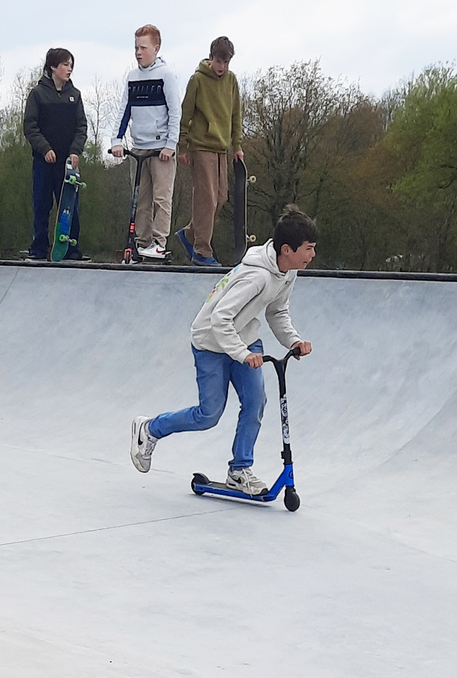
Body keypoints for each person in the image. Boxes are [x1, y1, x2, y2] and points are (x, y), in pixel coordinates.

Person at [130, 206, 318, 493]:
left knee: (255, 403)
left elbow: (277, 313)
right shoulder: (257, 277)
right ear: (287, 250)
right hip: (211, 342)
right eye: (308, 248)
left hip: (244, 338)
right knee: (209, 415)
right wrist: (243, 354)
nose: (312, 255)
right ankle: (150, 429)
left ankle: (240, 470)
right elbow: (220, 318)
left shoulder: (287, 272)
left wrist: (293, 340)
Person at [108, 24, 182, 261]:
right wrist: (117, 140)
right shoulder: (132, 78)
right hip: (139, 147)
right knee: (140, 199)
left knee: (162, 198)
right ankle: (142, 243)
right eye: (136, 48)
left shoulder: (166, 76)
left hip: (161, 149)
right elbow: (124, 110)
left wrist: (171, 144)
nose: (138, 53)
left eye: (143, 48)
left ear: (156, 48)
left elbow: (175, 112)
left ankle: (159, 243)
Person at [176, 36, 244, 268]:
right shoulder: (197, 80)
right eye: (218, 62)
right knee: (206, 199)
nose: (222, 67)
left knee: (221, 198)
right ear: (211, 58)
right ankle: (202, 251)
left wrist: (238, 145)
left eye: (226, 63)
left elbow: (236, 114)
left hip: (221, 148)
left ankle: (189, 234)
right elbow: (186, 114)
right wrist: (183, 146)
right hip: (201, 145)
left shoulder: (232, 81)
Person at [24, 47, 89, 261]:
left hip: (67, 163)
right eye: (65, 65)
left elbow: (81, 127)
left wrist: (75, 151)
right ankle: (39, 248)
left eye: (71, 65)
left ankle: (72, 249)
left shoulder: (75, 95)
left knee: (70, 207)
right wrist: (45, 149)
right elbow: (30, 126)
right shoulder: (38, 94)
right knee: (42, 205)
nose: (69, 69)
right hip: (44, 162)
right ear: (53, 66)